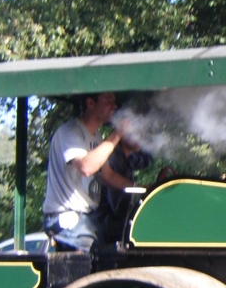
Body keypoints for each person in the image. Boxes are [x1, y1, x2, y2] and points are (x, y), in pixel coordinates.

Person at [43, 92, 131, 252]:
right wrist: (117, 134)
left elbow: (108, 175)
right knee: (88, 256)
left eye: (114, 100)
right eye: (108, 99)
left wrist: (144, 187)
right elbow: (86, 167)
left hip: (87, 217)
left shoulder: (97, 137)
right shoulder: (69, 133)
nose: (114, 105)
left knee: (114, 248)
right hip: (66, 216)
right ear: (90, 103)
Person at [97, 138, 153, 245]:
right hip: (109, 227)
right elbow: (119, 207)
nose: (141, 136)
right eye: (137, 131)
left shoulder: (129, 158)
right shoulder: (114, 159)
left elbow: (147, 160)